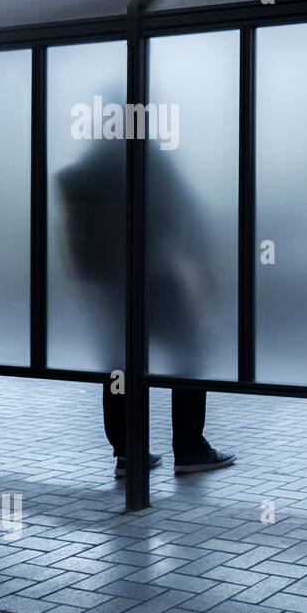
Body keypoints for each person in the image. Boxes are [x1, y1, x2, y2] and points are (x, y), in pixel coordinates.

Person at [55, 119, 236, 479]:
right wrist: (202, 264)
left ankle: (128, 452)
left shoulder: (89, 168)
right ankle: (189, 448)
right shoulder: (149, 159)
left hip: (108, 284)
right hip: (156, 275)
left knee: (120, 363)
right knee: (187, 352)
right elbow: (184, 209)